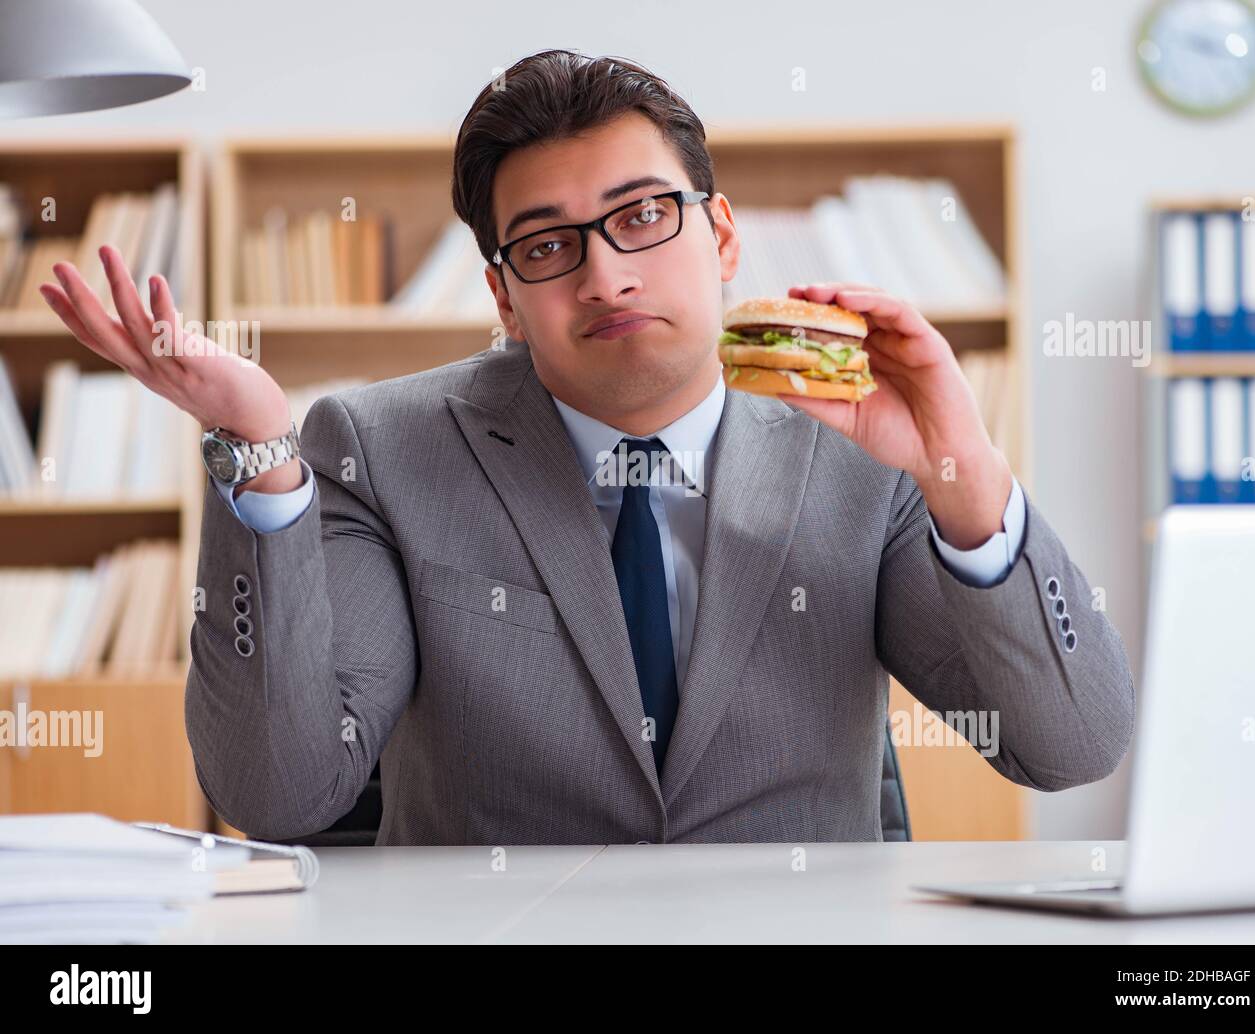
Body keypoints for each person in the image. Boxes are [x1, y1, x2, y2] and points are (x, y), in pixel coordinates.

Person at [39, 49, 1135, 845]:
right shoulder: (376, 445)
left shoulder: (862, 453)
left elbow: (1068, 748)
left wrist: (961, 469)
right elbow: (278, 793)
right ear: (504, 297)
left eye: (643, 216)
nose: (605, 274)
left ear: (720, 235)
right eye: (549, 244)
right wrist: (260, 455)